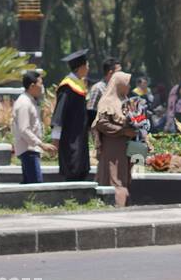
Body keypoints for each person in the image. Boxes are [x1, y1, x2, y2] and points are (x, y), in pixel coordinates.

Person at [92, 71, 138, 207]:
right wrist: (123, 131)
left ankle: (124, 203)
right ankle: (114, 204)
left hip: (126, 147)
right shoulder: (107, 101)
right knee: (113, 176)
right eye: (127, 83)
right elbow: (101, 124)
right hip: (113, 147)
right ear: (119, 84)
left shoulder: (126, 101)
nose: (129, 87)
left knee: (124, 176)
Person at [50, 48, 92, 181]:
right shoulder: (67, 87)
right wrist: (55, 140)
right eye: (87, 65)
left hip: (79, 136)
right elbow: (59, 115)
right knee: (72, 168)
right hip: (70, 139)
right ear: (81, 67)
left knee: (81, 168)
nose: (88, 67)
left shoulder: (78, 85)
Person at [12, 69, 56, 184]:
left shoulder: (30, 101)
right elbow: (24, 130)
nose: (42, 87)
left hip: (31, 151)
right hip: (28, 151)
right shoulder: (24, 103)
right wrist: (42, 144)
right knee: (36, 186)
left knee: (30, 187)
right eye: (40, 84)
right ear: (32, 86)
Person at [85, 57, 121, 130]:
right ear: (110, 73)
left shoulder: (118, 89)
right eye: (119, 72)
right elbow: (91, 114)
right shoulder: (98, 88)